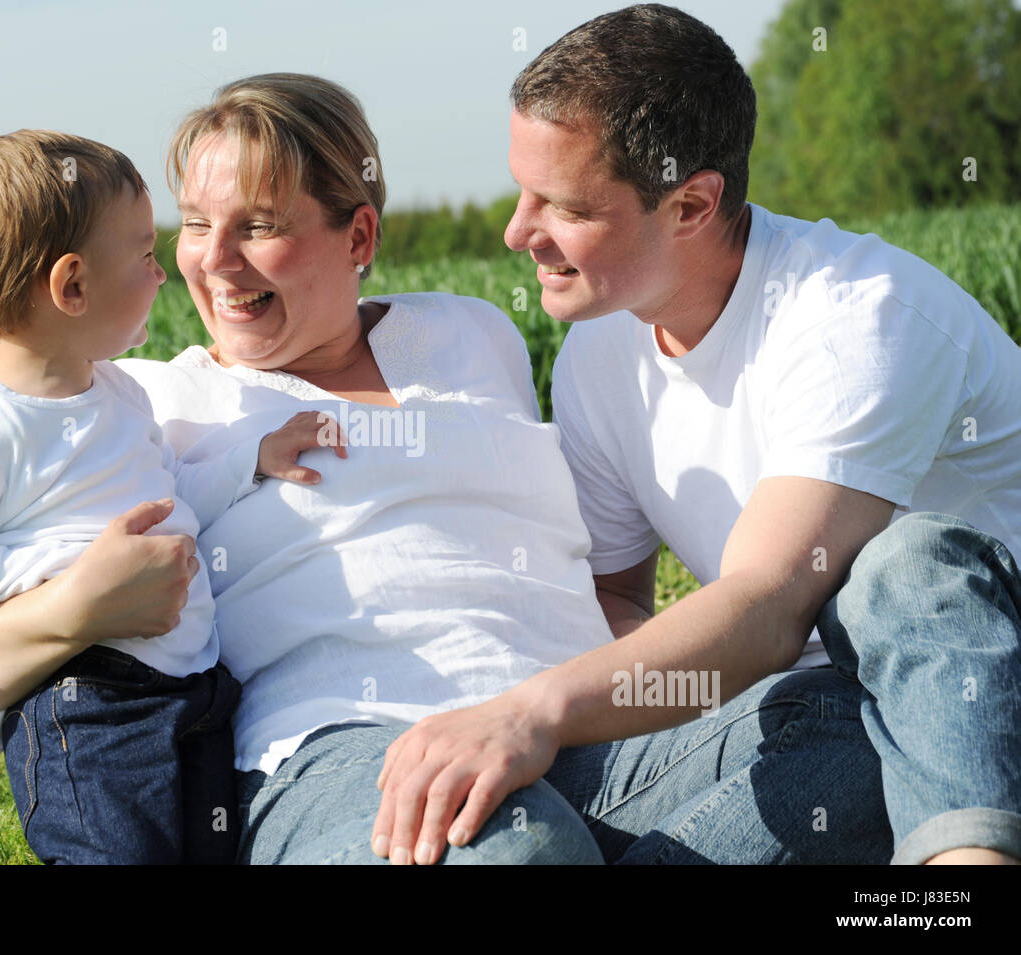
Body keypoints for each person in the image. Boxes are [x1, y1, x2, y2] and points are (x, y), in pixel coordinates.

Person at [0, 72, 896, 867]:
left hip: (578, 727)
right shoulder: (147, 400)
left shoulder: (472, 336)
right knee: (510, 846)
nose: (211, 260)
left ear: (356, 232)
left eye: (259, 226)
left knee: (867, 738)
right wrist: (77, 609)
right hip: (353, 750)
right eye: (194, 225)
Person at [372, 4, 1021, 866]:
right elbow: (613, 607)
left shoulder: (857, 319)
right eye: (522, 190)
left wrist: (533, 710)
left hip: (978, 687)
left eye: (562, 205)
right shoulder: (598, 352)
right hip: (823, 711)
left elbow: (765, 609)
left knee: (901, 568)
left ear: (691, 204)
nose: (517, 231)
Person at [0, 129, 346, 863]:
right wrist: (68, 573)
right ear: (72, 287)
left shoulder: (120, 393)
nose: (162, 274)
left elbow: (169, 498)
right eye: (143, 256)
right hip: (90, 700)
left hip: (191, 686)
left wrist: (249, 460)